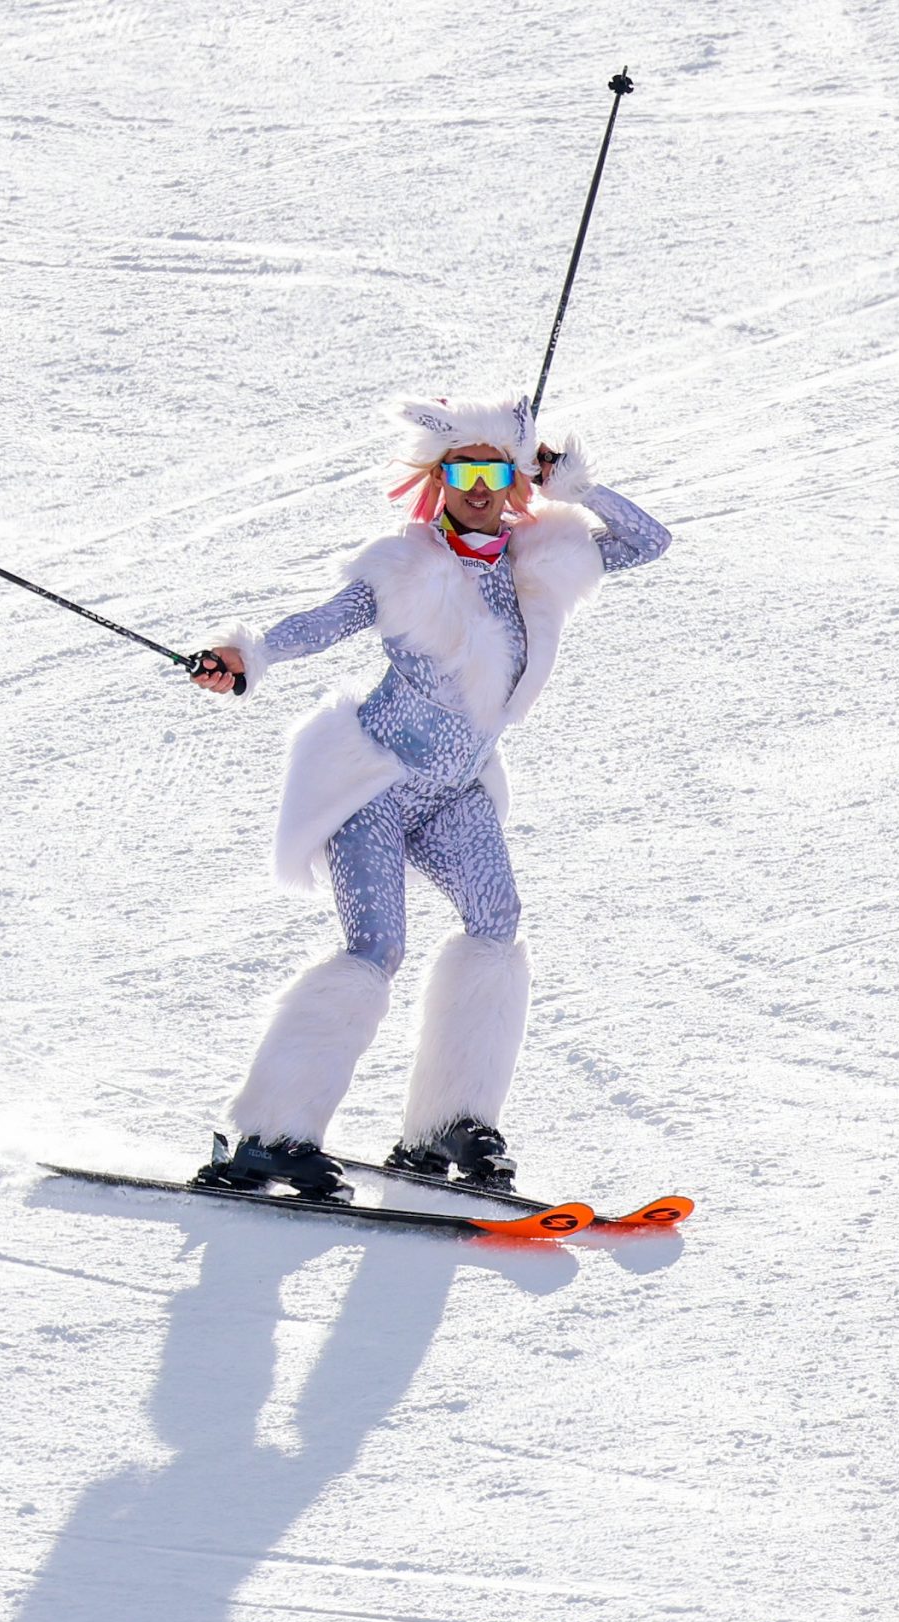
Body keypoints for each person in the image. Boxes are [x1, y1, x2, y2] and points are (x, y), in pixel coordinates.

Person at [188, 392, 669, 1198]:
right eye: (461, 470)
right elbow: (325, 621)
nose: (478, 486)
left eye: (493, 469)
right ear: (437, 482)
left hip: (455, 793)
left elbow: (649, 543)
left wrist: (576, 492)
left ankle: (450, 1122)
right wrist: (251, 656)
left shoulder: (542, 560)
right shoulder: (404, 568)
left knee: (498, 923)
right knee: (376, 948)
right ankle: (270, 1136)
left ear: (517, 479)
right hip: (375, 783)